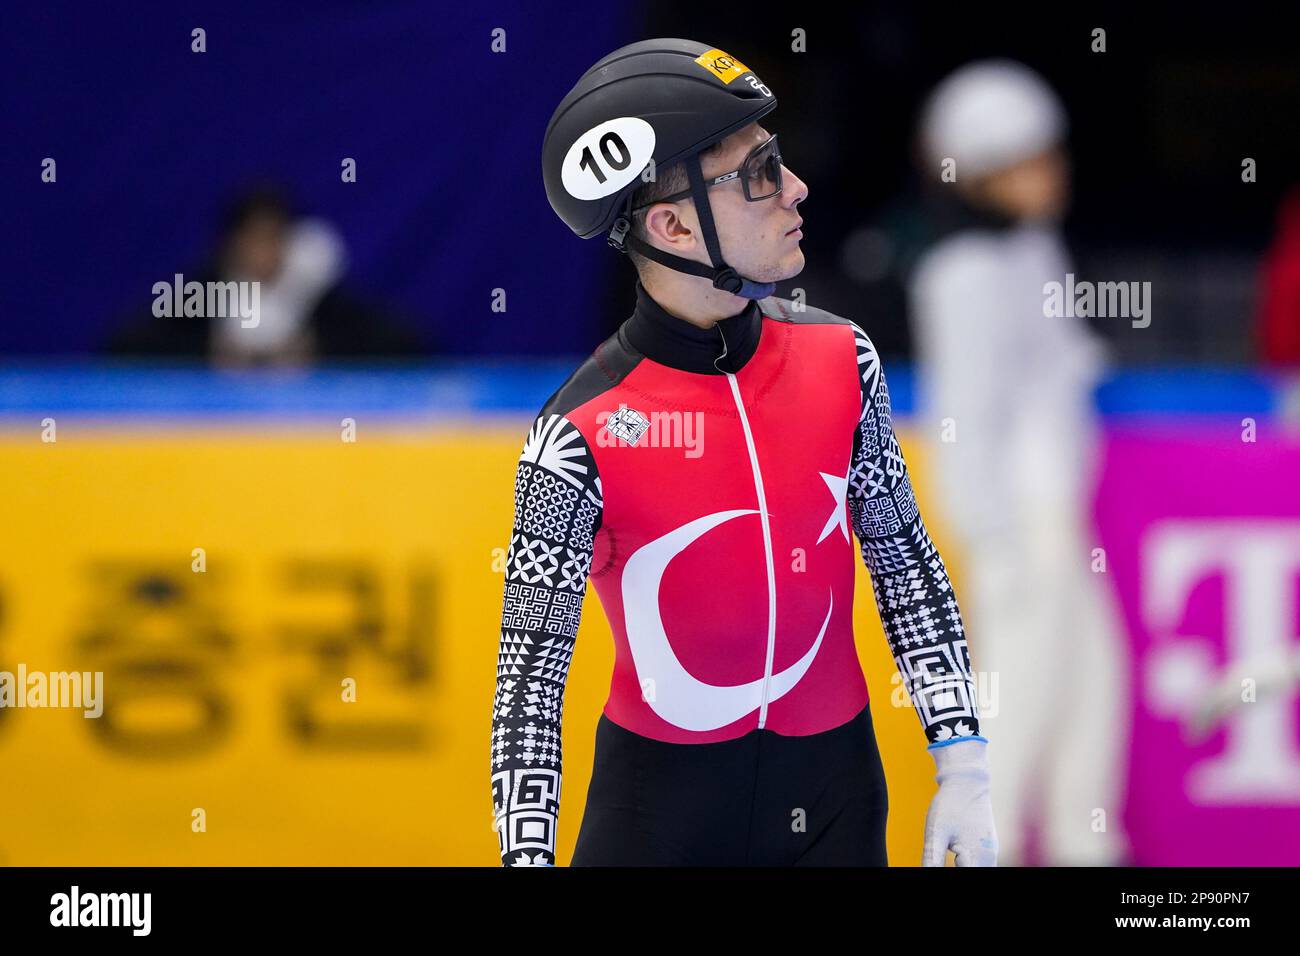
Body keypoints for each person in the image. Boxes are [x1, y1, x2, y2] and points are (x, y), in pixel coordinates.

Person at [490, 38, 996, 867]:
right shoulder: (575, 435)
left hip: (834, 802)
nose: (795, 188)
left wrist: (963, 759)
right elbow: (530, 687)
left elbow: (904, 561)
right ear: (673, 223)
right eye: (758, 172)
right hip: (657, 822)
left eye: (780, 160)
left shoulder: (846, 360)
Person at [908, 59, 1130, 865]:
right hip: (1018, 528)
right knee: (1022, 711)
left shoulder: (1030, 248)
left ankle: (1084, 849)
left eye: (1047, 154)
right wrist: (995, 539)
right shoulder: (962, 273)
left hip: (1055, 521)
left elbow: (1060, 354)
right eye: (1022, 162)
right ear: (976, 176)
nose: (1047, 175)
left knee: (1093, 699)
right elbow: (961, 418)